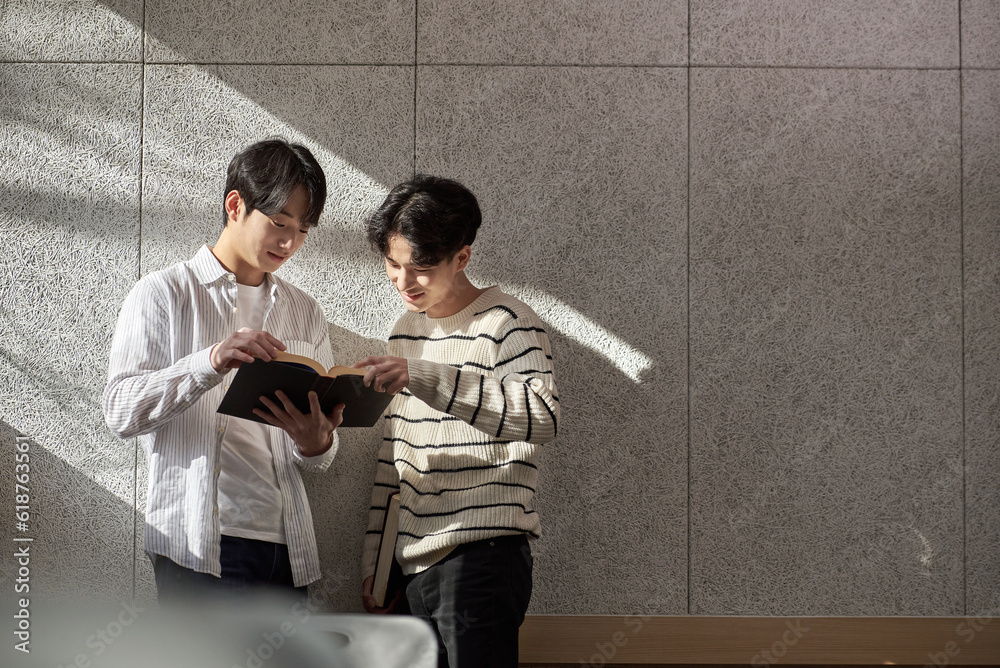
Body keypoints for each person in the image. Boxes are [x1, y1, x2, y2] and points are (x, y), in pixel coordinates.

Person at [102, 138, 344, 603]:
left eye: (303, 230)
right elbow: (119, 410)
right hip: (196, 546)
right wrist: (209, 362)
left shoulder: (304, 310)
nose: (290, 242)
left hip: (286, 548)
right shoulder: (163, 293)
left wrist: (317, 444)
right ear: (235, 205)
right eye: (279, 223)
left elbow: (320, 455)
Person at [355, 175, 560, 667]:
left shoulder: (507, 322)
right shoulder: (405, 332)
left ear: (461, 258)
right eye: (392, 263)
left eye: (420, 268)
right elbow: (395, 453)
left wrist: (423, 375)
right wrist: (375, 562)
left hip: (481, 554)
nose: (404, 282)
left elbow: (542, 415)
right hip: (410, 565)